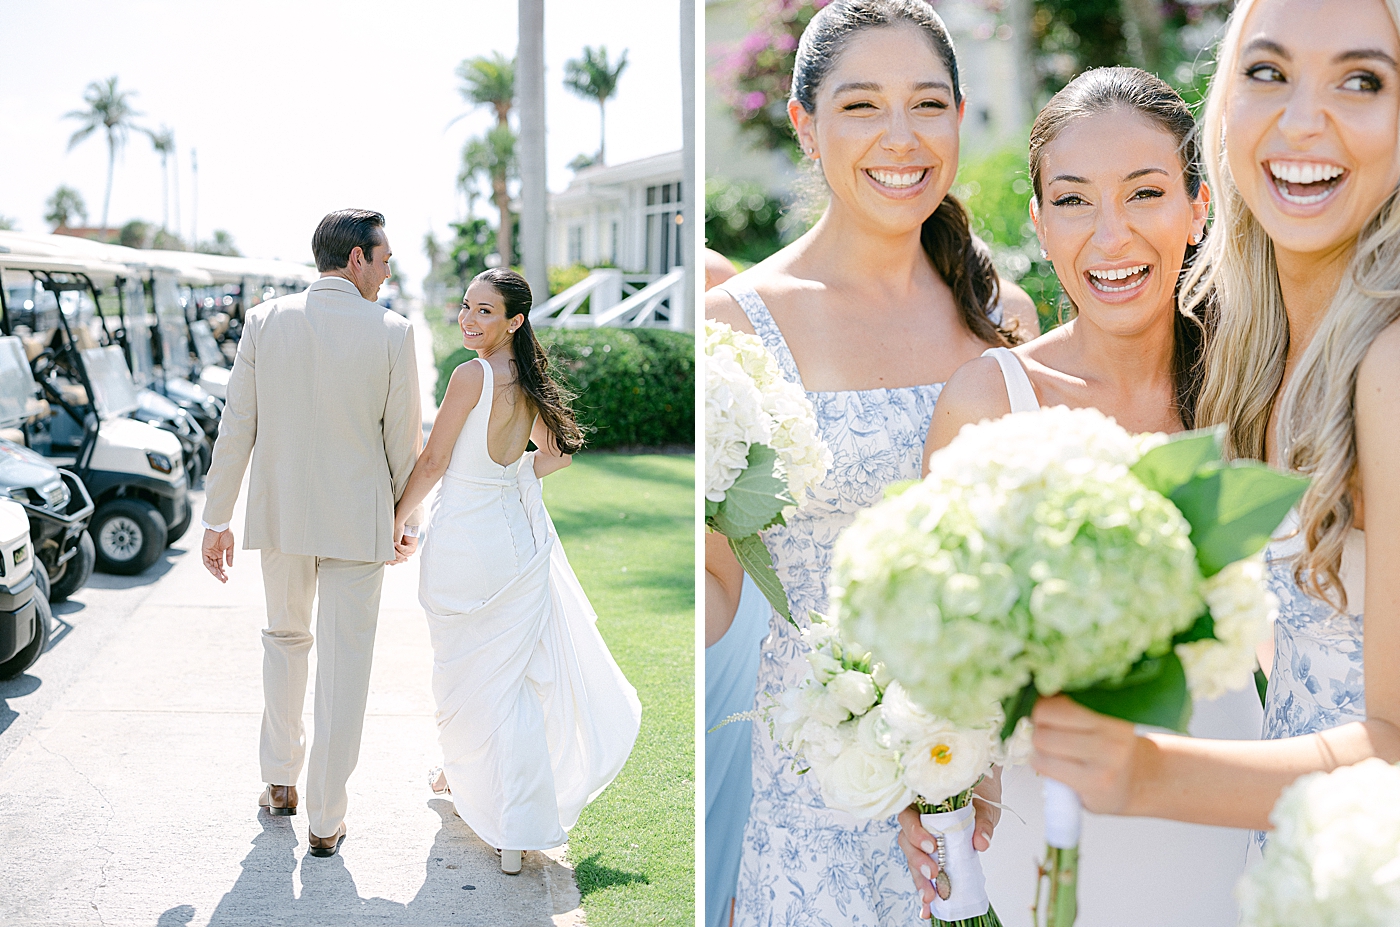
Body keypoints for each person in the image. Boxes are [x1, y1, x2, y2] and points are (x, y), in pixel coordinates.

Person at [1024, 0, 1400, 866]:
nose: (1304, 119)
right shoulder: (1256, 351)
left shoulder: (1386, 361)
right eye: (1267, 73)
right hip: (1290, 861)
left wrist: (1151, 775)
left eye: (1361, 80)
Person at [705, 2, 1038, 923]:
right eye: (861, 107)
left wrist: (986, 757)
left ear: (962, 119)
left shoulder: (1002, 315)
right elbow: (719, 581)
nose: (902, 138)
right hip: (817, 780)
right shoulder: (736, 328)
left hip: (971, 771)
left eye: (928, 104)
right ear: (806, 127)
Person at [896, 68, 1221, 920]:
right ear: (1039, 223)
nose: (1110, 236)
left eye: (1145, 193)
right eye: (1074, 201)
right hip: (1058, 837)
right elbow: (937, 651)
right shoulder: (989, 399)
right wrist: (932, 785)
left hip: (1243, 806)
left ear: (1199, 206)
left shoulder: (1263, 386)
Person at [392, 269, 641, 876]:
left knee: (460, 670)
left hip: (463, 538)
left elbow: (435, 458)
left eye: (484, 312)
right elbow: (557, 452)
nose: (469, 320)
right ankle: (503, 818)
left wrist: (397, 516)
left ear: (514, 320)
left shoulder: (470, 374)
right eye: (467, 308)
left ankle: (489, 801)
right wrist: (512, 477)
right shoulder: (526, 378)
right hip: (514, 539)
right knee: (507, 680)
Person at [201, 208, 423, 858]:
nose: (387, 271)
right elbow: (402, 442)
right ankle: (327, 817)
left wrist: (217, 517)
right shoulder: (393, 330)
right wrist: (404, 519)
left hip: (283, 517)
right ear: (356, 258)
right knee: (345, 664)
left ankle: (278, 780)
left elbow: (235, 424)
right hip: (359, 520)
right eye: (383, 259)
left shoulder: (265, 321)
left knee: (284, 640)